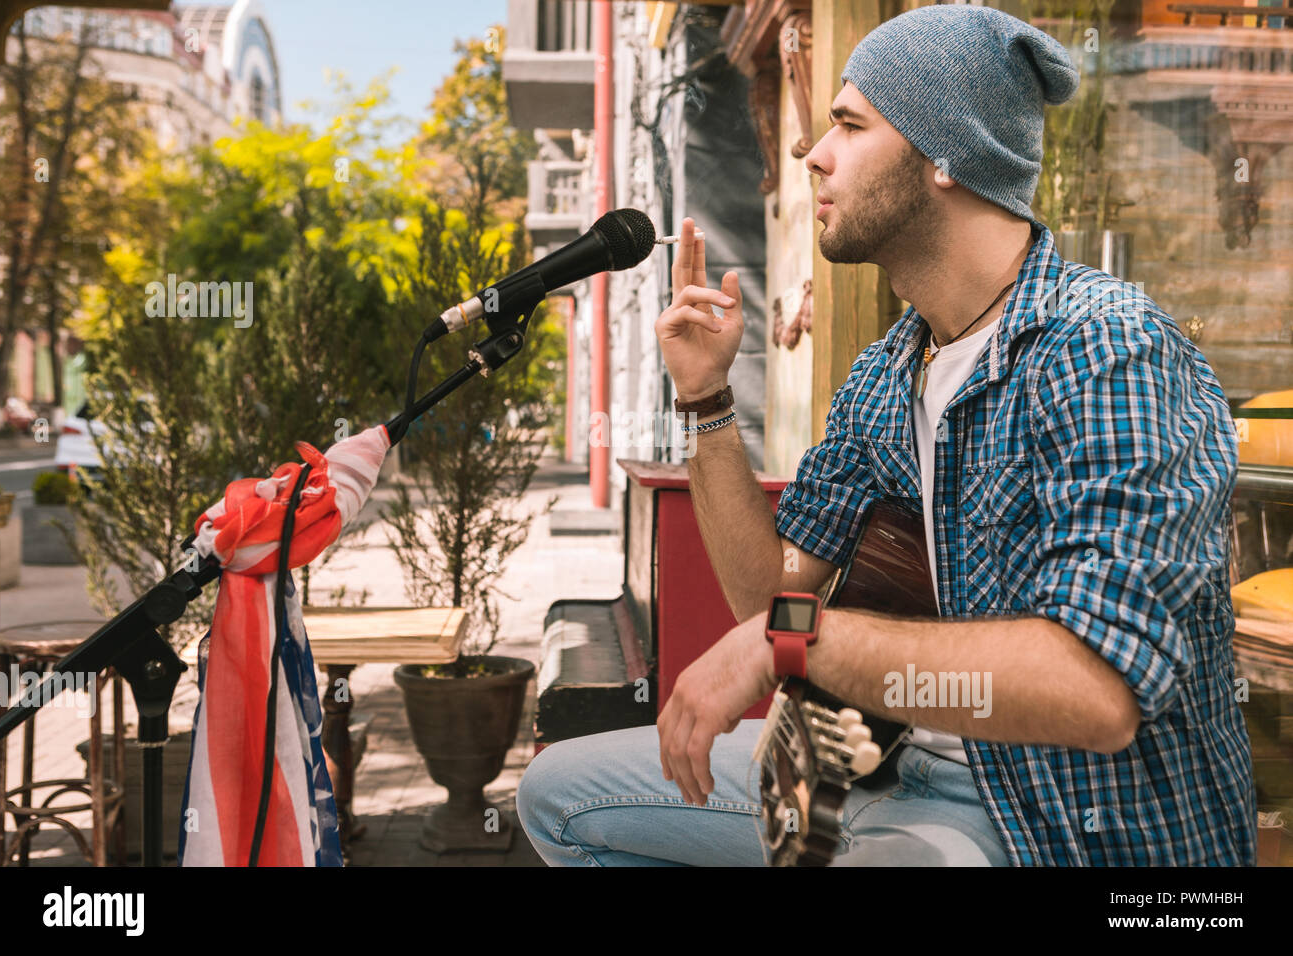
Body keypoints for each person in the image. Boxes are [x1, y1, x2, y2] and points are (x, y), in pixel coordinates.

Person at [516, 4, 1256, 866]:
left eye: (849, 125)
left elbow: (1098, 692)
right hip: (873, 770)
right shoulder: (889, 370)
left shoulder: (1107, 351)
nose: (813, 152)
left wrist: (791, 640)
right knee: (560, 795)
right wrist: (708, 398)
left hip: (1045, 822)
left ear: (945, 157)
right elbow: (770, 597)